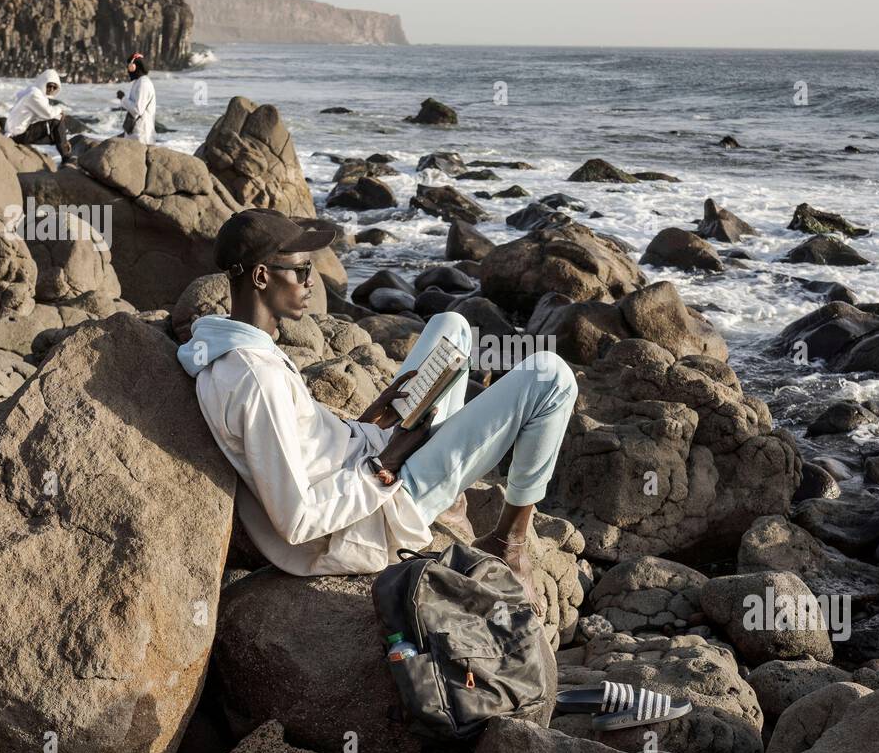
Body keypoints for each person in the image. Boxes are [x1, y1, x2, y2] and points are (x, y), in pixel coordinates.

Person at [176, 210, 578, 600]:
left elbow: (303, 445)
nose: (312, 281)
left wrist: (369, 421)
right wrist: (388, 460)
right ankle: (509, 543)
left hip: (362, 457)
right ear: (262, 276)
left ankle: (448, 498)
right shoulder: (255, 378)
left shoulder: (226, 346)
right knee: (550, 375)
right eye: (301, 271)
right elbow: (297, 520)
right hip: (374, 513)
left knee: (449, 327)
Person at [4, 69, 73, 163]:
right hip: (18, 134)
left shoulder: (34, 91)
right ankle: (66, 157)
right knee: (56, 121)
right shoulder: (34, 94)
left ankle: (64, 150)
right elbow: (48, 114)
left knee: (57, 134)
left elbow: (42, 116)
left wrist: (63, 138)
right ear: (43, 82)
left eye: (54, 87)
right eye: (50, 86)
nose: (51, 89)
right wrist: (60, 109)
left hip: (17, 132)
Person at [116, 52, 156, 145]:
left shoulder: (143, 84)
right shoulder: (139, 82)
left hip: (141, 136)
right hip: (137, 135)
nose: (128, 70)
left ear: (134, 67)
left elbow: (137, 110)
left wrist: (123, 98)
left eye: (129, 66)